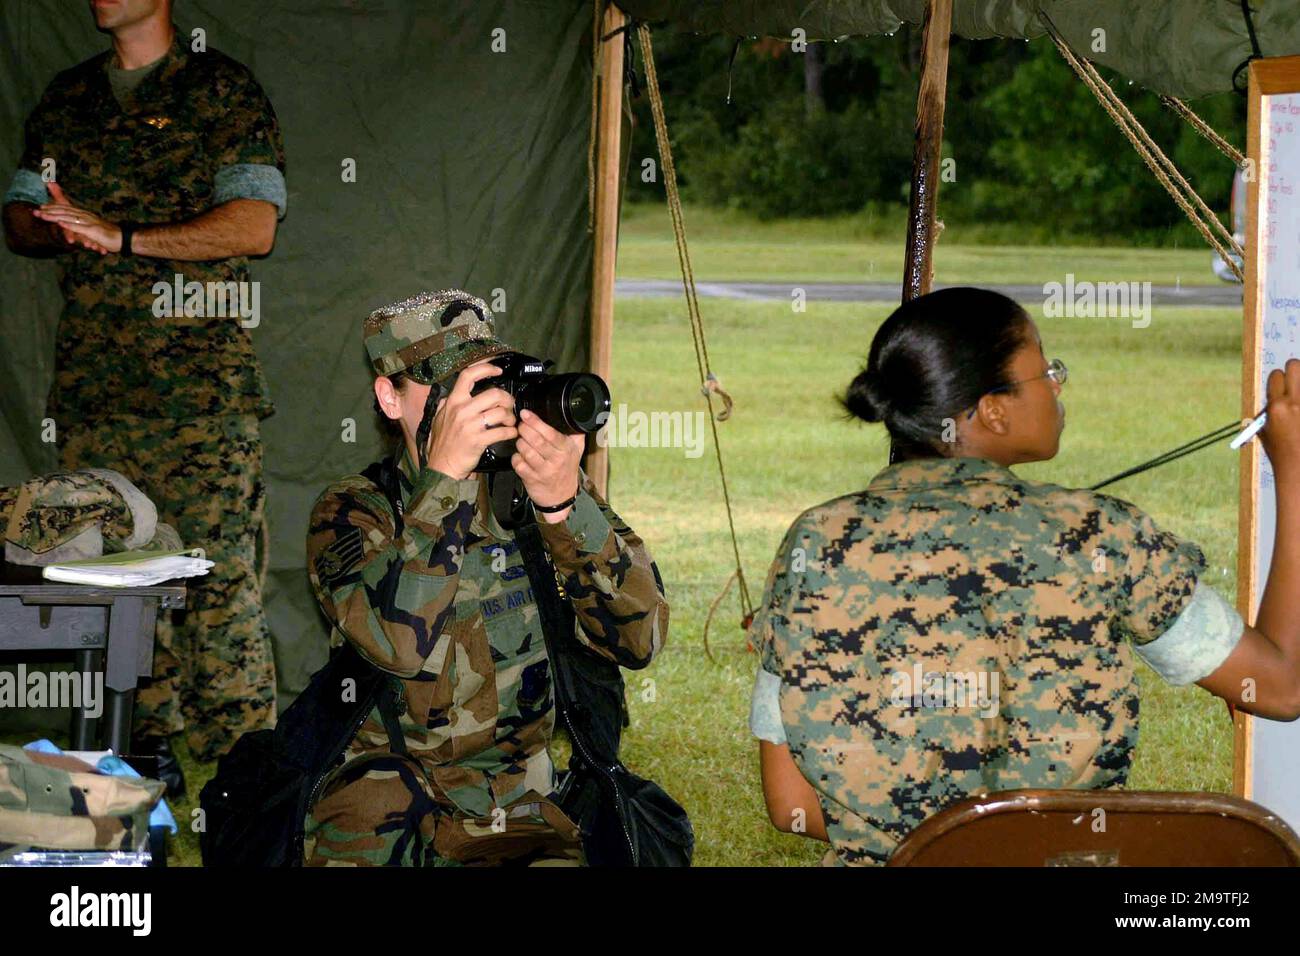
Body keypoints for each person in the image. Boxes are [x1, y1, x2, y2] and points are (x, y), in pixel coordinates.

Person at [748, 286, 1300, 865]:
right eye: (1046, 371)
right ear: (993, 409)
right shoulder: (1101, 537)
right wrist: (1292, 470)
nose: (1058, 385)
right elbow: (1281, 687)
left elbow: (792, 803)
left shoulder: (814, 543)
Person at [2, 0, 287, 796]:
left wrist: (120, 234)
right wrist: (54, 224)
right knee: (118, 584)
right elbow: (20, 217)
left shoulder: (220, 90)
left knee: (221, 582)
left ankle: (245, 778)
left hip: (202, 392)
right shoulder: (68, 98)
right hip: (95, 391)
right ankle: (139, 762)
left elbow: (253, 225)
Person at [303, 289, 669, 866]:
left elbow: (639, 638)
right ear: (389, 397)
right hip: (384, 798)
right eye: (447, 383)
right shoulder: (353, 510)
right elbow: (396, 644)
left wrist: (564, 507)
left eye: (486, 380)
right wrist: (445, 478)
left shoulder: (532, 494)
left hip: (513, 802)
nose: (475, 402)